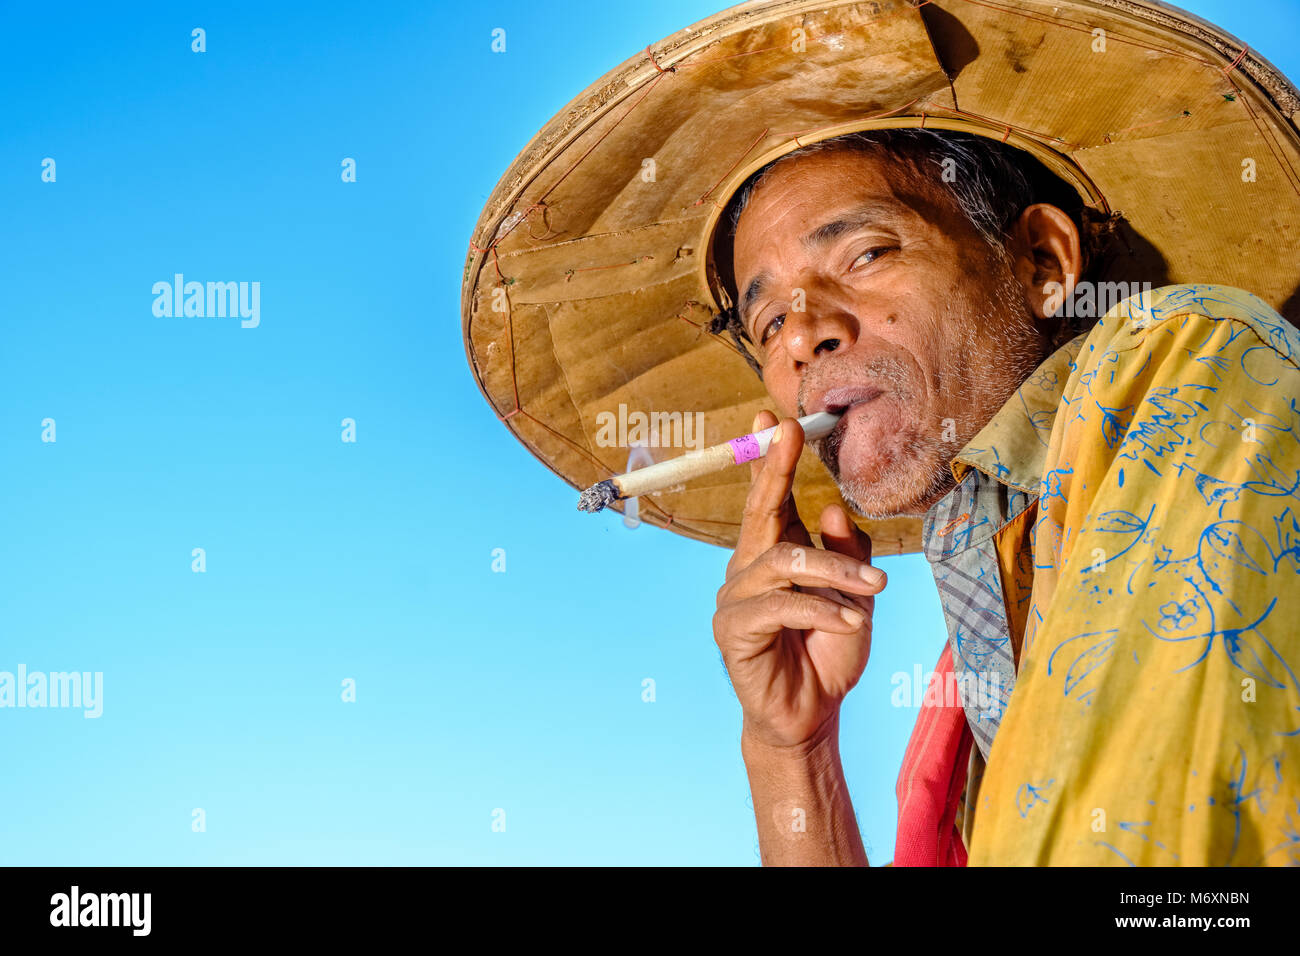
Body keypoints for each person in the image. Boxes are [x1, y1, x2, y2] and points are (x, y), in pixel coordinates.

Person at [710, 127, 1300, 865]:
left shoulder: (1185, 364)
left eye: (864, 255)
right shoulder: (984, 642)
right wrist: (789, 748)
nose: (802, 338)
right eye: (769, 323)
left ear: (1043, 262)